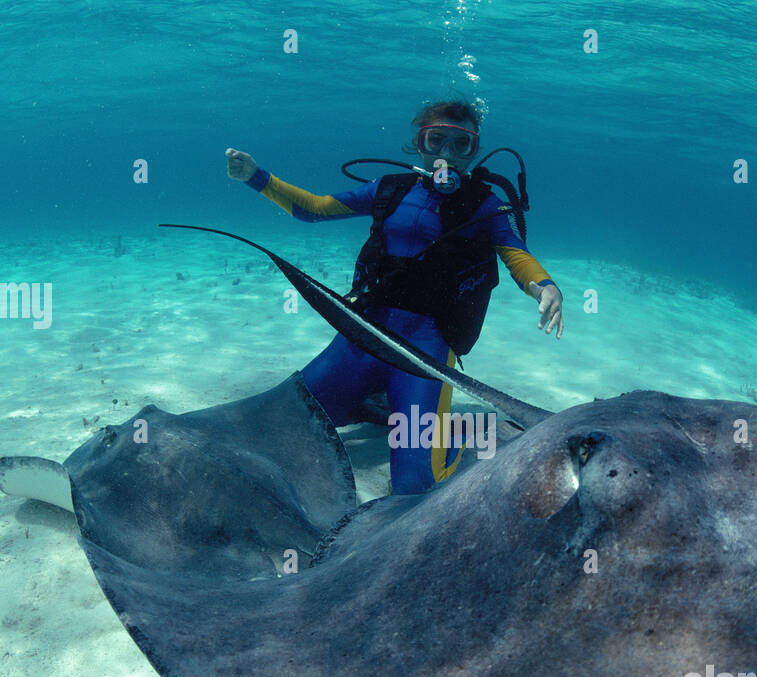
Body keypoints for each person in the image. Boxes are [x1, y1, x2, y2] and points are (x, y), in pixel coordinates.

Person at [226, 100, 562, 494]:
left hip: (426, 353)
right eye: (435, 140)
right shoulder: (388, 190)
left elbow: (513, 250)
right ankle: (373, 402)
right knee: (280, 431)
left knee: (414, 485)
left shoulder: (485, 206)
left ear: (475, 151)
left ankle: (452, 433)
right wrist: (256, 177)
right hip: (361, 336)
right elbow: (314, 209)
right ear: (418, 144)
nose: (446, 155)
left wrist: (544, 286)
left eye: (461, 145)